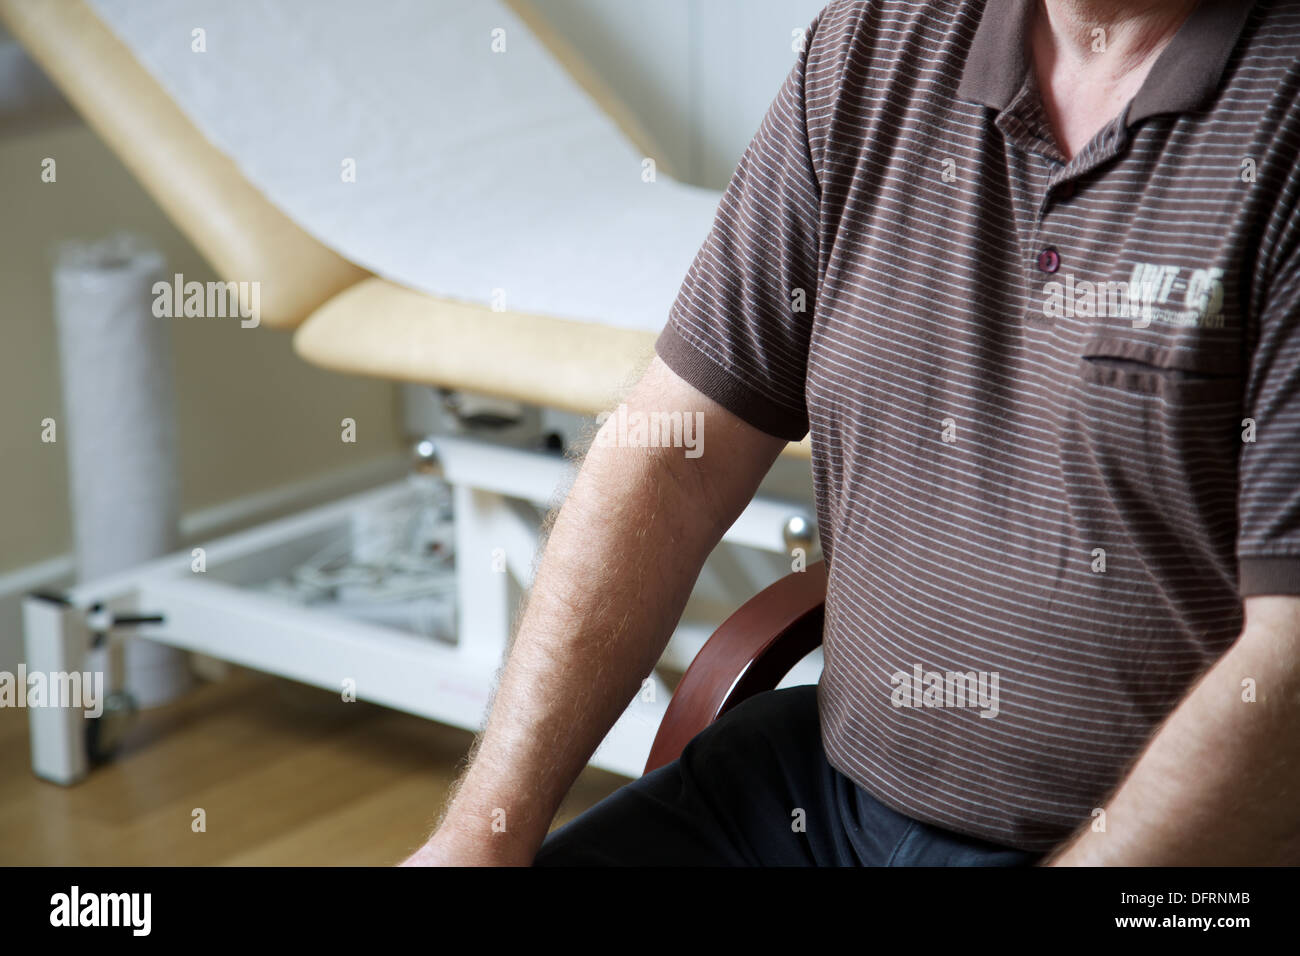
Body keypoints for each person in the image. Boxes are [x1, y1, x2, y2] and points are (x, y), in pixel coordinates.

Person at [404, 0, 1300, 866]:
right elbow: (673, 457)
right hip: (821, 795)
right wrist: (483, 832)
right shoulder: (875, 42)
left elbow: (1287, 664)